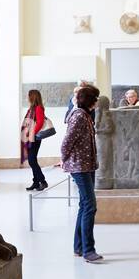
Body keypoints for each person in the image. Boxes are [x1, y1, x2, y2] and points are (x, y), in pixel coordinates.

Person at [60, 84, 103, 263]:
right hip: (80, 167)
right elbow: (66, 143)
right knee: (90, 206)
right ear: (89, 100)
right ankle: (88, 250)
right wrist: (64, 159)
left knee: (84, 206)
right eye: (95, 98)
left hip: (87, 165)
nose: (97, 101)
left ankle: (79, 246)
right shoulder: (78, 116)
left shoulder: (85, 115)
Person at [20, 89, 48, 192]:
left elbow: (40, 123)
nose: (27, 97)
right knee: (33, 160)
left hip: (34, 138)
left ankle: (43, 181)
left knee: (32, 160)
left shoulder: (38, 108)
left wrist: (31, 133)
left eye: (29, 95)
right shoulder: (32, 108)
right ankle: (36, 182)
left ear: (32, 97)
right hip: (30, 138)